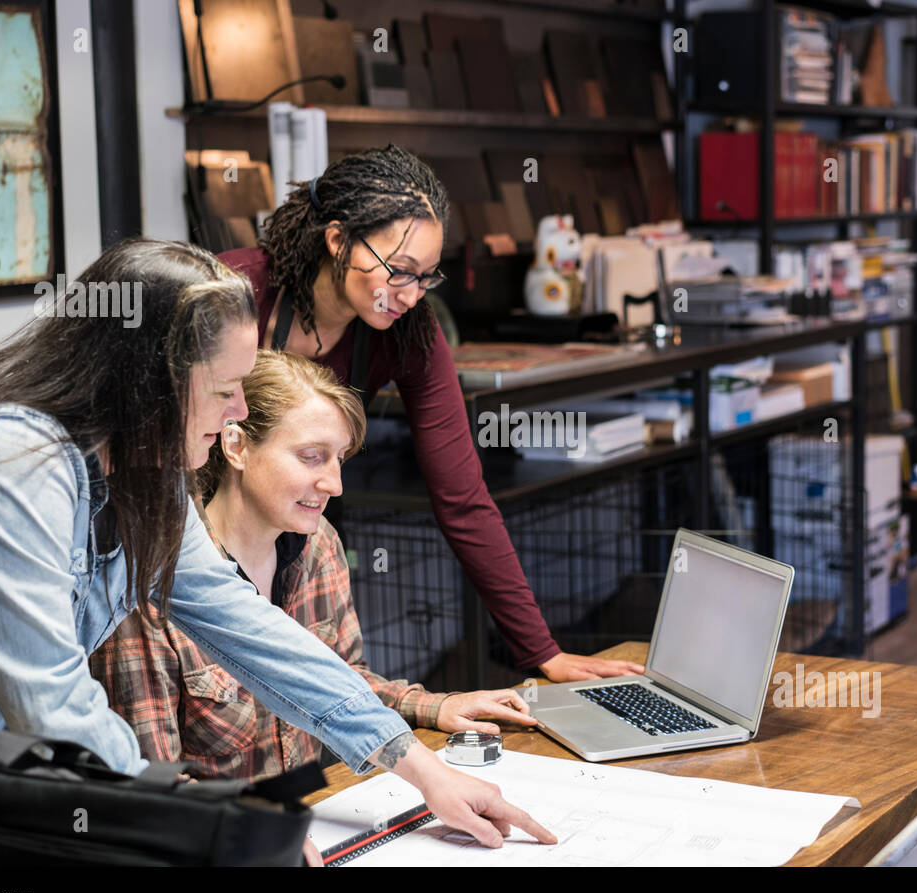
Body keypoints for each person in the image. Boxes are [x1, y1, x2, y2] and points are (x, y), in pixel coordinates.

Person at [0, 238, 552, 863]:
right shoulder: (8, 462)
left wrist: (420, 766)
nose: (238, 411)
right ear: (149, 380)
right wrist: (217, 828)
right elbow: (52, 701)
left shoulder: (145, 463)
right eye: (225, 387)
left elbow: (247, 624)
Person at [220, 144, 645, 684]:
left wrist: (542, 652)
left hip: (299, 533)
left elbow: (462, 496)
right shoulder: (237, 291)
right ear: (337, 239)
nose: (412, 295)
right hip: (198, 527)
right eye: (399, 271)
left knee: (308, 695)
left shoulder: (409, 330)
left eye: (426, 277)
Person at [90, 349, 537, 779]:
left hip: (315, 809)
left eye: (339, 459)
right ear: (236, 446)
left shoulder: (318, 543)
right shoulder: (149, 584)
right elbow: (150, 781)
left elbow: (343, 683)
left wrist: (434, 706)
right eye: (311, 457)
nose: (335, 484)